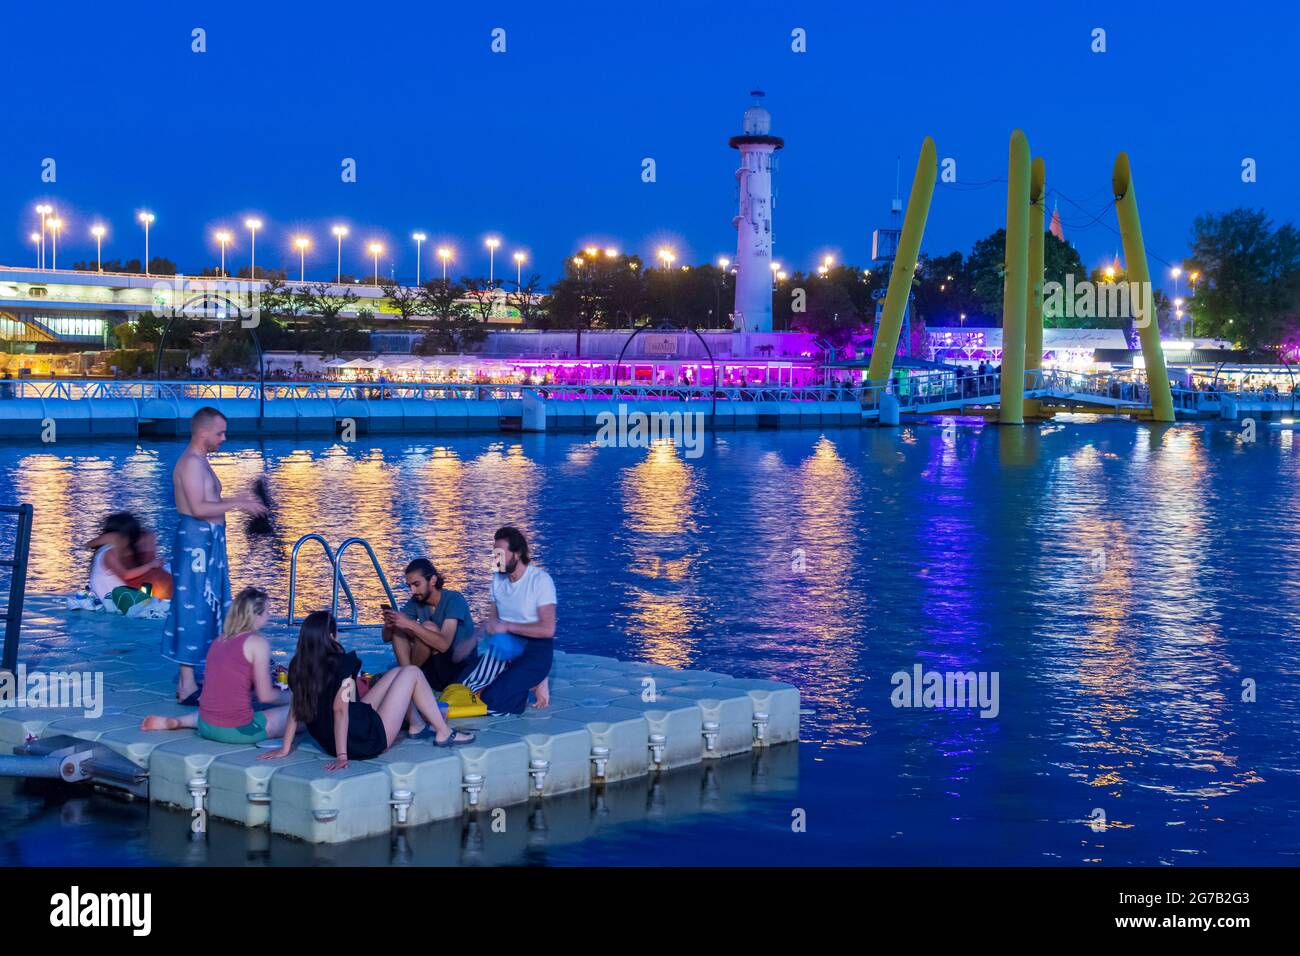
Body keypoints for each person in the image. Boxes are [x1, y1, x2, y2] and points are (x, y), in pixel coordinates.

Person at [263, 611, 473, 771]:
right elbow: (340, 710)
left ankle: (416, 725)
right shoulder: (343, 664)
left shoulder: (299, 666)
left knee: (399, 672)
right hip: (363, 740)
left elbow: (296, 708)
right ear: (330, 636)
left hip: (333, 738)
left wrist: (285, 747)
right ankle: (444, 733)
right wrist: (342, 755)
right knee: (413, 673)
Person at [162, 407, 267, 704]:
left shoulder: (202, 462)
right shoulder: (192, 463)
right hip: (196, 541)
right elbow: (197, 508)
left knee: (214, 604)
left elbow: (210, 502)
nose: (224, 437)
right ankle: (186, 684)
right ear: (203, 432)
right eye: (220, 432)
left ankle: (205, 673)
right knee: (194, 604)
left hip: (209, 541)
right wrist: (238, 502)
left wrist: (239, 501)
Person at [139, 586, 291, 742]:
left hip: (205, 725)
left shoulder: (219, 641)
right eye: (267, 612)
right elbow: (265, 696)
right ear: (255, 615)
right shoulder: (257, 643)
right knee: (302, 713)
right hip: (238, 731)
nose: (269, 615)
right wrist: (294, 698)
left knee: (220, 705)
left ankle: (179, 721)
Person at [455, 526, 556, 715]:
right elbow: (492, 620)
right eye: (494, 554)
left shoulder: (540, 581)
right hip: (506, 647)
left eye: (499, 554)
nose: (495, 559)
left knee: (491, 700)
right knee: (461, 688)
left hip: (535, 651)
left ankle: (535, 681)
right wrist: (472, 641)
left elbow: (548, 629)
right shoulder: (497, 580)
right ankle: (518, 682)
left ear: (517, 554)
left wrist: (507, 626)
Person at [381, 558, 476, 692]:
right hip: (432, 666)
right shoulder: (416, 601)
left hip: (458, 669)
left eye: (416, 584)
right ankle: (406, 680)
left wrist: (409, 624)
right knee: (399, 629)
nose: (413, 591)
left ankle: (404, 678)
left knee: (427, 627)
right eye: (410, 586)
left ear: (432, 580)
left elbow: (443, 645)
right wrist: (390, 623)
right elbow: (386, 638)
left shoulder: (454, 599)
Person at [86, 513, 165, 614]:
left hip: (117, 595)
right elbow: (125, 575)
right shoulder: (109, 552)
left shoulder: (109, 549)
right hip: (114, 601)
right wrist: (151, 565)